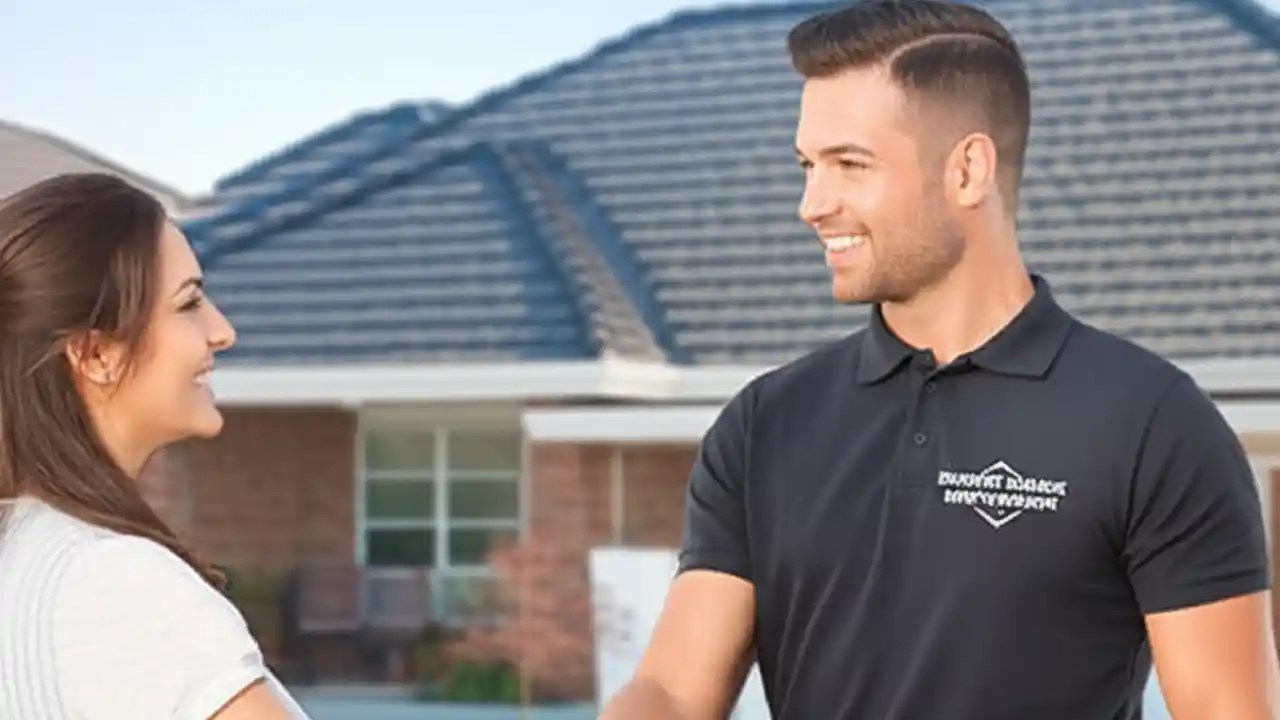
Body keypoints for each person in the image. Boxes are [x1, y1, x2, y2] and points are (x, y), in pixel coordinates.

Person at [600, 1, 1280, 718]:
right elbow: (673, 691)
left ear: (968, 171)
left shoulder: (1151, 424)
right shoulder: (764, 425)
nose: (812, 203)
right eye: (807, 165)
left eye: (849, 164)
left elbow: (1227, 710)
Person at [0, 173, 309, 719]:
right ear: (96, 355)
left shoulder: (23, 553)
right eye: (189, 303)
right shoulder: (120, 582)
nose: (222, 330)